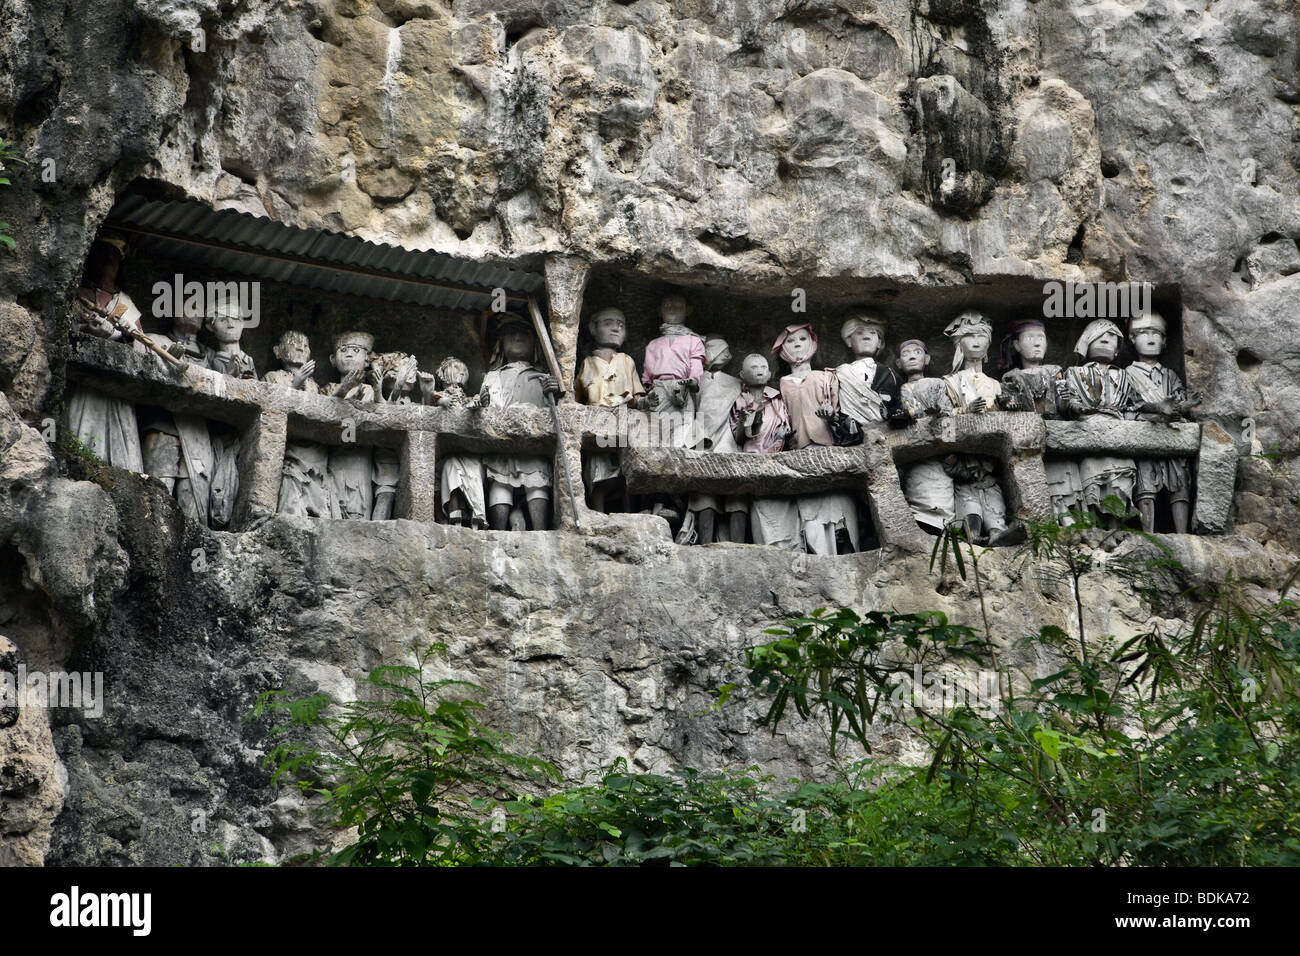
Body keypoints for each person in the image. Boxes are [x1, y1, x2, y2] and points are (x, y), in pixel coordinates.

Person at [772, 323, 860, 555]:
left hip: (827, 448)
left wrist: (832, 416)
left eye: (802, 339)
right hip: (799, 451)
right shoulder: (781, 384)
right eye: (790, 341)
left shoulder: (826, 376)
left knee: (837, 505)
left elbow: (841, 412)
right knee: (810, 514)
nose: (797, 344)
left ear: (813, 343)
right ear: (782, 349)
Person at [66, 235, 146, 473]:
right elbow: (61, 333)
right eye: (102, 252)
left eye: (113, 254)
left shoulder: (126, 304)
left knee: (122, 447)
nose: (107, 259)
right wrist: (86, 329)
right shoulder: (78, 295)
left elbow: (143, 349)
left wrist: (127, 338)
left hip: (117, 387)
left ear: (120, 263)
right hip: (84, 383)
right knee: (81, 431)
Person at [480, 316, 561, 531]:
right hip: (502, 443)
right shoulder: (492, 376)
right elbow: (484, 408)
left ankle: (540, 530)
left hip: (533, 445)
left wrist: (553, 392)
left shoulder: (543, 377)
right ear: (501, 344)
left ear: (535, 343)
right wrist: (483, 402)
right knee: (500, 480)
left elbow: (554, 411)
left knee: (537, 481)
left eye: (524, 333)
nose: (517, 337)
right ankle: (498, 531)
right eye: (511, 333)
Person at [1000, 319, 1084, 522]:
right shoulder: (1011, 377)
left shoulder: (1055, 371)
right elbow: (1008, 405)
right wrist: (1010, 405)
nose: (1037, 343)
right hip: (1030, 438)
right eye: (1030, 338)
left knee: (1067, 482)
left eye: (1041, 338)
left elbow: (1067, 403)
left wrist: (1071, 404)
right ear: (1017, 345)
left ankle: (1075, 520)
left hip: (1058, 433)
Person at [575, 306, 655, 513]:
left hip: (623, 420)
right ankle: (598, 512)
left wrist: (646, 402)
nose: (616, 328)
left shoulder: (626, 361)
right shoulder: (587, 363)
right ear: (593, 329)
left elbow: (637, 396)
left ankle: (629, 513)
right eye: (608, 323)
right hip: (597, 422)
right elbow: (575, 397)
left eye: (621, 325)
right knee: (598, 471)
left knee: (626, 472)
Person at [1058, 319, 1138, 521]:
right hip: (1088, 427)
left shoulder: (1126, 376)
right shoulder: (1075, 372)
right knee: (1092, 480)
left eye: (1111, 337)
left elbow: (1137, 404)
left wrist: (1159, 407)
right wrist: (1074, 407)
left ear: (1118, 349)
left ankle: (1116, 527)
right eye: (1098, 335)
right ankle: (1093, 526)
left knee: (1120, 480)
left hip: (1118, 430)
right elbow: (1068, 402)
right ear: (1086, 342)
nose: (1105, 340)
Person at [1125, 311, 1197, 533]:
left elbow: (1179, 402)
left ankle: (1182, 534)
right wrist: (1157, 408)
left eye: (1156, 333)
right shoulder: (1126, 374)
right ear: (1132, 339)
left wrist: (1182, 407)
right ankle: (1148, 533)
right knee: (1145, 482)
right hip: (1144, 432)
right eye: (1143, 333)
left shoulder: (1171, 376)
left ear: (1165, 341)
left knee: (1179, 480)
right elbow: (1127, 404)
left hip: (1171, 433)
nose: (1150, 338)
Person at [731, 353, 798, 549]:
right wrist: (744, 422)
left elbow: (787, 427)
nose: (759, 370)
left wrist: (782, 439)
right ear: (742, 375)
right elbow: (737, 437)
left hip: (777, 457)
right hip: (752, 460)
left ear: (770, 374)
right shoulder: (739, 401)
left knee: (783, 509)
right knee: (761, 511)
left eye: (763, 367)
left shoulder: (778, 399)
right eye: (753, 367)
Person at [685, 335, 746, 544]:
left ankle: (738, 544)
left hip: (728, 439)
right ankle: (705, 543)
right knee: (704, 493)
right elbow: (689, 409)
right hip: (701, 437)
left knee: (736, 491)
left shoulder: (736, 383)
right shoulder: (695, 380)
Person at [896, 339, 956, 534]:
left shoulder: (938, 384)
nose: (912, 356)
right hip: (915, 459)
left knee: (942, 499)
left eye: (917, 352)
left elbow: (948, 418)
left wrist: (948, 448)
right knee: (918, 498)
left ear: (927, 358)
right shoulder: (899, 390)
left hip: (939, 458)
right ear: (898, 363)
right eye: (906, 354)